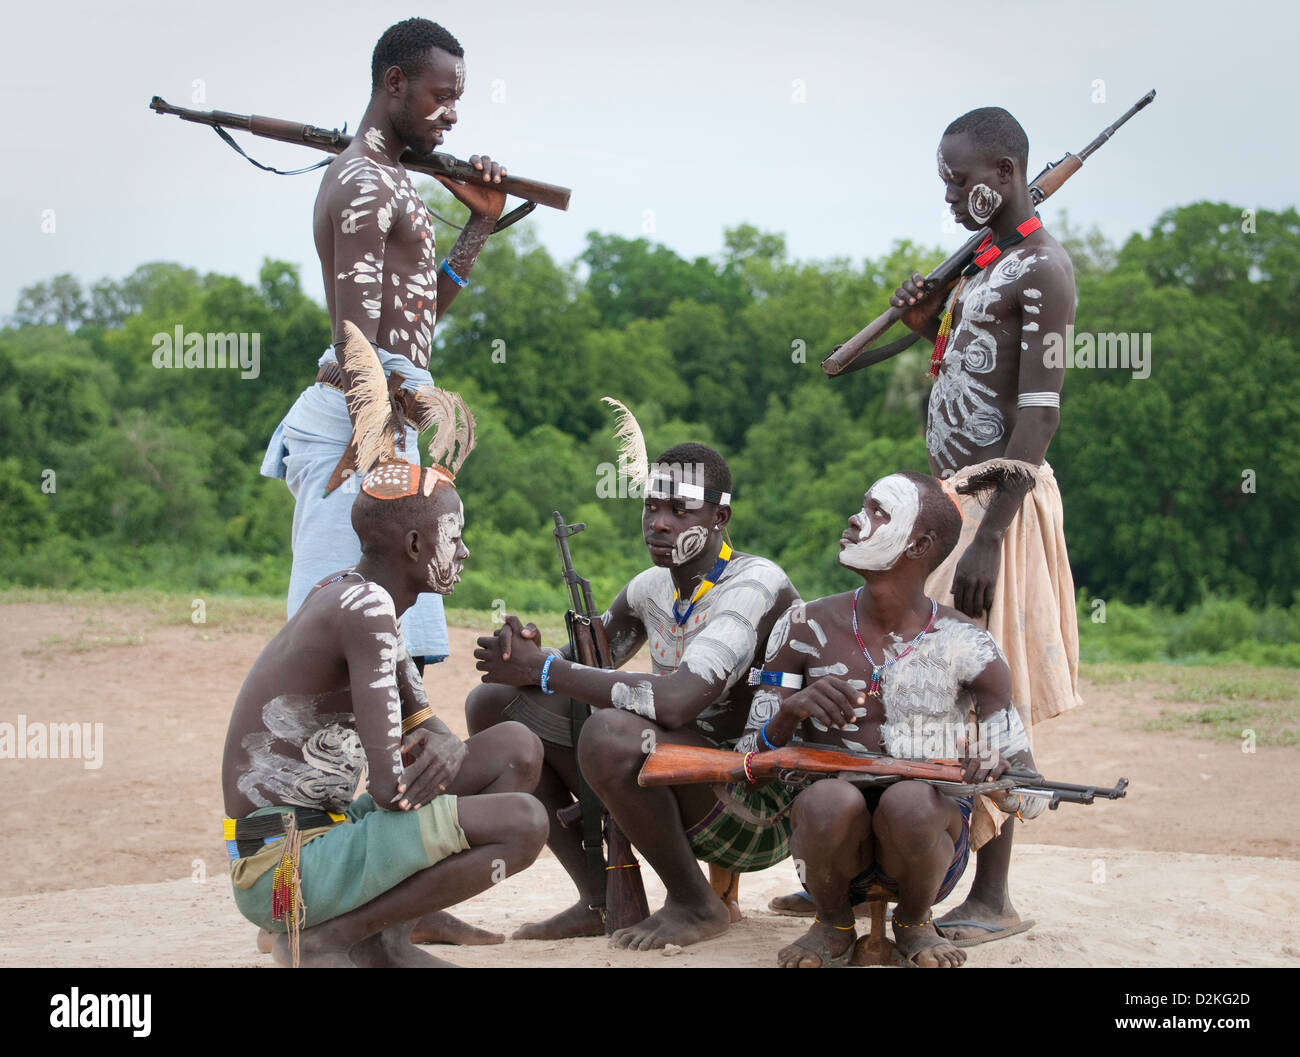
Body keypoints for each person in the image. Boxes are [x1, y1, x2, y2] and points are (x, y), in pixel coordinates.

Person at [774, 106, 1081, 945]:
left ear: (1008, 174)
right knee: (911, 674)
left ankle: (992, 892)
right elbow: (926, 376)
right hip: (952, 503)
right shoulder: (984, 267)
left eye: (960, 179)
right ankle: (858, 868)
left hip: (997, 506)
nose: (948, 196)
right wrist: (917, 328)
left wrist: (990, 531)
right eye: (943, 180)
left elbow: (1039, 415)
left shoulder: (1043, 271)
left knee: (980, 686)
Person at [223, 328, 546, 967]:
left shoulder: (360, 597)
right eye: (455, 535)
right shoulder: (366, 611)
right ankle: (332, 939)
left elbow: (426, 734)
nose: (466, 551)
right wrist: (444, 754)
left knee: (517, 748)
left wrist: (448, 744)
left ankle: (386, 941)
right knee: (524, 822)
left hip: (321, 843)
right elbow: (397, 787)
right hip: (280, 877)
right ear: (416, 548)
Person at [468, 434, 801, 949]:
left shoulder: (755, 584)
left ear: (720, 519)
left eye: (679, 510)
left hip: (755, 804)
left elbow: (675, 701)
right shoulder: (652, 587)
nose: (660, 522)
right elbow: (577, 667)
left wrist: (547, 670)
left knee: (611, 733)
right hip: (688, 781)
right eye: (651, 506)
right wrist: (531, 656)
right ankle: (598, 898)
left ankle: (695, 902)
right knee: (494, 705)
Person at [261, 17, 508, 667]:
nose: (451, 114)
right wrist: (420, 410)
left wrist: (480, 224)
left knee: (401, 651)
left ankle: (387, 771)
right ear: (394, 83)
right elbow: (356, 351)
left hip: (385, 426)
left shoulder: (390, 180)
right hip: (357, 426)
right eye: (440, 95)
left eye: (458, 98)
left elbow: (416, 319)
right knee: (341, 644)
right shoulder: (366, 181)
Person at [744, 470, 1044, 967]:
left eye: (878, 511)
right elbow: (747, 766)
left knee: (910, 802)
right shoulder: (803, 626)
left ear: (918, 544)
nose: (854, 518)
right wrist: (790, 713)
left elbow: (1028, 797)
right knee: (828, 799)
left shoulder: (967, 644)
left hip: (928, 853)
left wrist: (994, 771)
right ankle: (832, 922)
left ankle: (914, 922)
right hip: (826, 853)